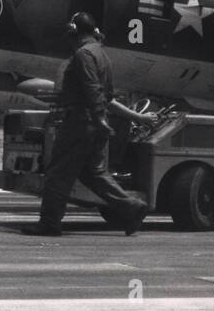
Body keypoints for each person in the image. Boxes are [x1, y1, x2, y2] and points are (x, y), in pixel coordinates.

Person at [23, 12, 154, 236]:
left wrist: (98, 117)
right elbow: (108, 98)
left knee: (58, 173)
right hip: (93, 124)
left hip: (80, 124)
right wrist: (136, 117)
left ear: (74, 31)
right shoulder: (102, 56)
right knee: (93, 173)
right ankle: (131, 207)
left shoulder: (83, 55)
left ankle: (49, 223)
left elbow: (92, 89)